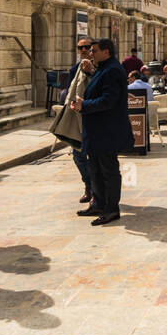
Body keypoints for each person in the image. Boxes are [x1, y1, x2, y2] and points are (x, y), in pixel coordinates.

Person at [70, 38, 131, 224]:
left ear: (106, 52)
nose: (90, 53)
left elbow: (108, 100)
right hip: (97, 131)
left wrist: (84, 105)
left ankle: (111, 209)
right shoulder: (103, 68)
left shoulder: (112, 70)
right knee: (95, 168)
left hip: (107, 131)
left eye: (94, 50)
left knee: (108, 170)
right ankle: (98, 203)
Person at [62, 39, 96, 205]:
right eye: (80, 47)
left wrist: (91, 72)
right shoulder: (74, 69)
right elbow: (69, 92)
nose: (83, 49)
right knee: (78, 156)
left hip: (95, 118)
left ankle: (97, 190)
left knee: (96, 158)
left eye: (86, 47)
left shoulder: (99, 67)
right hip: (78, 120)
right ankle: (88, 186)